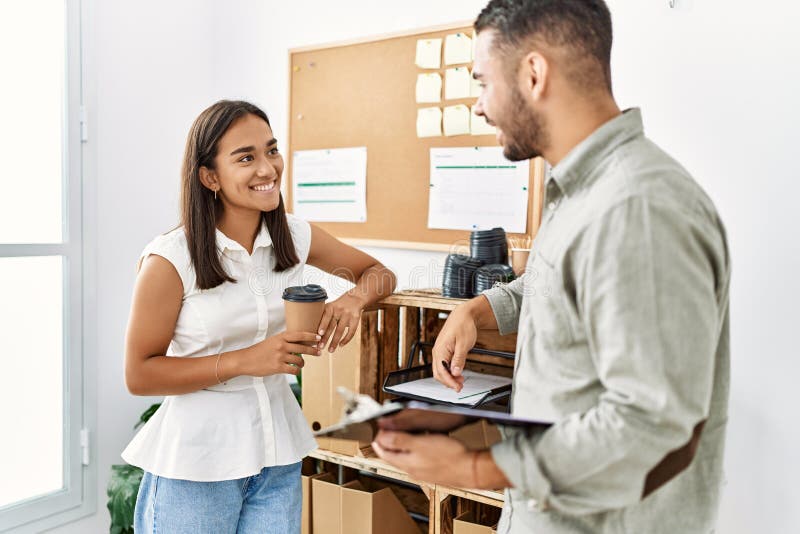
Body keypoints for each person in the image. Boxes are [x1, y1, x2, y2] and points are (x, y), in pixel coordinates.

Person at [371, 1, 730, 533]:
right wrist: (477, 309)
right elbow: (555, 284)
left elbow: (652, 422)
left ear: (533, 74)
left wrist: (474, 466)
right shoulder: (582, 195)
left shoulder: (637, 207)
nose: (478, 106)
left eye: (483, 82)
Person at [122, 100, 396, 533]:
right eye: (246, 158)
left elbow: (379, 274)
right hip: (196, 467)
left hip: (276, 457)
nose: (268, 168)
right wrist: (244, 360)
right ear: (210, 177)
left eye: (271, 150)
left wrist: (352, 301)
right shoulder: (170, 259)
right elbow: (140, 375)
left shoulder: (294, 235)